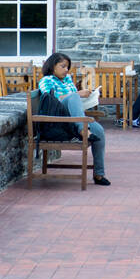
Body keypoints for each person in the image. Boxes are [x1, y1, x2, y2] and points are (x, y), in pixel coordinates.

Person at [37, 51, 110, 185]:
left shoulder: (68, 80)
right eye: (63, 66)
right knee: (73, 96)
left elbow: (74, 102)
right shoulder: (46, 81)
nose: (66, 70)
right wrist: (77, 94)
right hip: (58, 120)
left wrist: (87, 97)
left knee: (99, 130)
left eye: (67, 67)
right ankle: (83, 130)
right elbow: (51, 101)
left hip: (73, 120)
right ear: (53, 66)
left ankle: (99, 174)